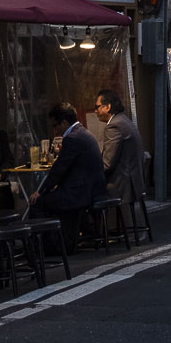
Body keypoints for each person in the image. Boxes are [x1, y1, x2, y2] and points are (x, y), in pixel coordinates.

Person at [29, 102, 107, 250]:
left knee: (37, 203)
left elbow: (58, 170)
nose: (54, 130)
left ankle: (42, 248)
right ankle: (64, 241)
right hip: (92, 189)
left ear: (64, 122)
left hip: (80, 193)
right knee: (52, 198)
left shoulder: (72, 138)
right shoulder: (84, 133)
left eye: (55, 125)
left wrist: (41, 191)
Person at [96, 88, 146, 217]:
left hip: (122, 184)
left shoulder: (114, 126)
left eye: (98, 107)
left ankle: (103, 232)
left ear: (108, 107)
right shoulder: (124, 120)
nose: (96, 111)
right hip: (133, 181)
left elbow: (107, 163)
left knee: (86, 193)